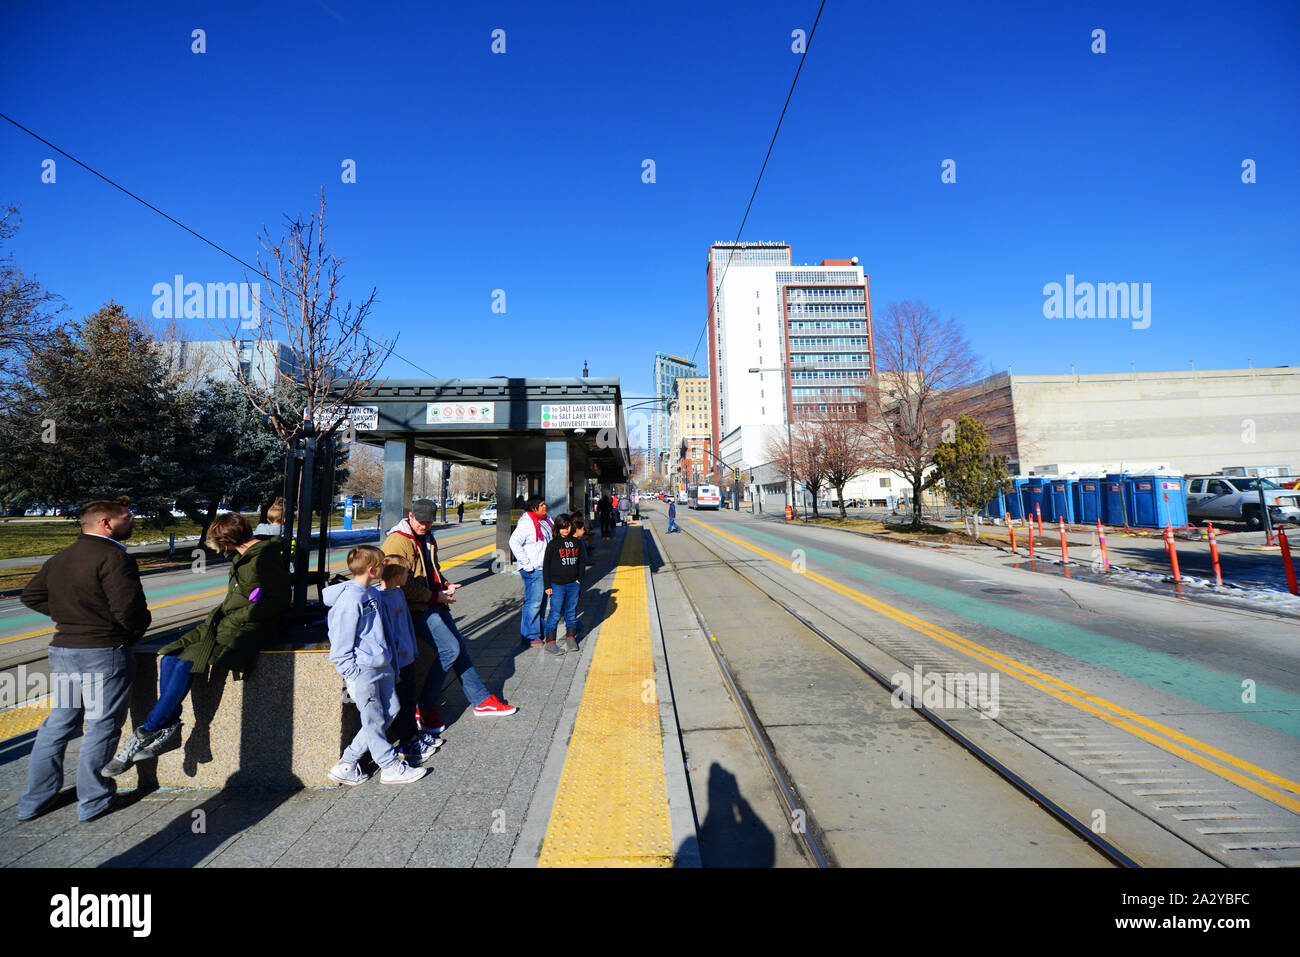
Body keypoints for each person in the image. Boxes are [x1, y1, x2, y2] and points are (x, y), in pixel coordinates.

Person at [103, 512, 290, 777]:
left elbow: (280, 600)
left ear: (225, 540)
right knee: (170, 655)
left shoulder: (264, 557)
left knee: (185, 662)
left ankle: (148, 730)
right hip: (228, 622)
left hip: (246, 629)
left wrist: (243, 614)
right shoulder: (245, 556)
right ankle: (169, 728)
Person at [19, 499, 151, 822]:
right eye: (127, 517)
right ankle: (94, 801)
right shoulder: (114, 557)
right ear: (106, 523)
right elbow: (129, 611)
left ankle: (34, 801)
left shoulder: (61, 557)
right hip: (102, 651)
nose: (132, 521)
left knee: (58, 725)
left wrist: (71, 616)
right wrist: (125, 631)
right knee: (102, 726)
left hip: (64, 651)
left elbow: (31, 595)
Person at [384, 499, 517, 727]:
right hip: (414, 608)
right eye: (420, 521)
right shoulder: (397, 540)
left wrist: (445, 585)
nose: (424, 526)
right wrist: (435, 596)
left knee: (459, 648)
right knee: (450, 649)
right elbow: (399, 582)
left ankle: (481, 699)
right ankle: (423, 706)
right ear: (410, 516)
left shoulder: (426, 536)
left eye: (429, 522)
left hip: (432, 601)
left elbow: (431, 570)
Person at [323, 546, 427, 785]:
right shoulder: (350, 600)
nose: (385, 568)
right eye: (382, 564)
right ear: (372, 569)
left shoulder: (372, 593)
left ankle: (347, 764)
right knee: (373, 720)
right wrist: (353, 672)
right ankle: (390, 766)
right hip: (363, 671)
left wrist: (391, 664)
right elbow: (341, 643)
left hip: (382, 666)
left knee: (389, 711)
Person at [377, 557, 443, 764]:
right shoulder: (382, 599)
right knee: (402, 702)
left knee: (409, 698)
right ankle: (407, 742)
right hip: (396, 662)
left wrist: (413, 650)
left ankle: (413, 735)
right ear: (397, 576)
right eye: (407, 573)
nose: (410, 577)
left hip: (407, 657)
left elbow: (406, 626)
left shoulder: (398, 594)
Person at [509, 494, 553, 647]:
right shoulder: (527, 523)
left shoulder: (546, 520)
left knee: (541, 603)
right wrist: (528, 565)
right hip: (534, 569)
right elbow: (513, 542)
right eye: (542, 504)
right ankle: (529, 635)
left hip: (545, 568)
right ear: (534, 507)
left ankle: (538, 632)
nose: (545, 507)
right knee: (533, 603)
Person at [541, 514, 585, 655]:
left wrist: (579, 579)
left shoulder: (577, 542)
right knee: (554, 613)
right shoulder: (553, 544)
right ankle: (550, 642)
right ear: (557, 528)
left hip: (573, 583)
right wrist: (547, 585)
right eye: (562, 527)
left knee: (571, 612)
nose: (565, 529)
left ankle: (571, 638)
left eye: (568, 526)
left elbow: (582, 562)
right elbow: (546, 565)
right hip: (557, 585)